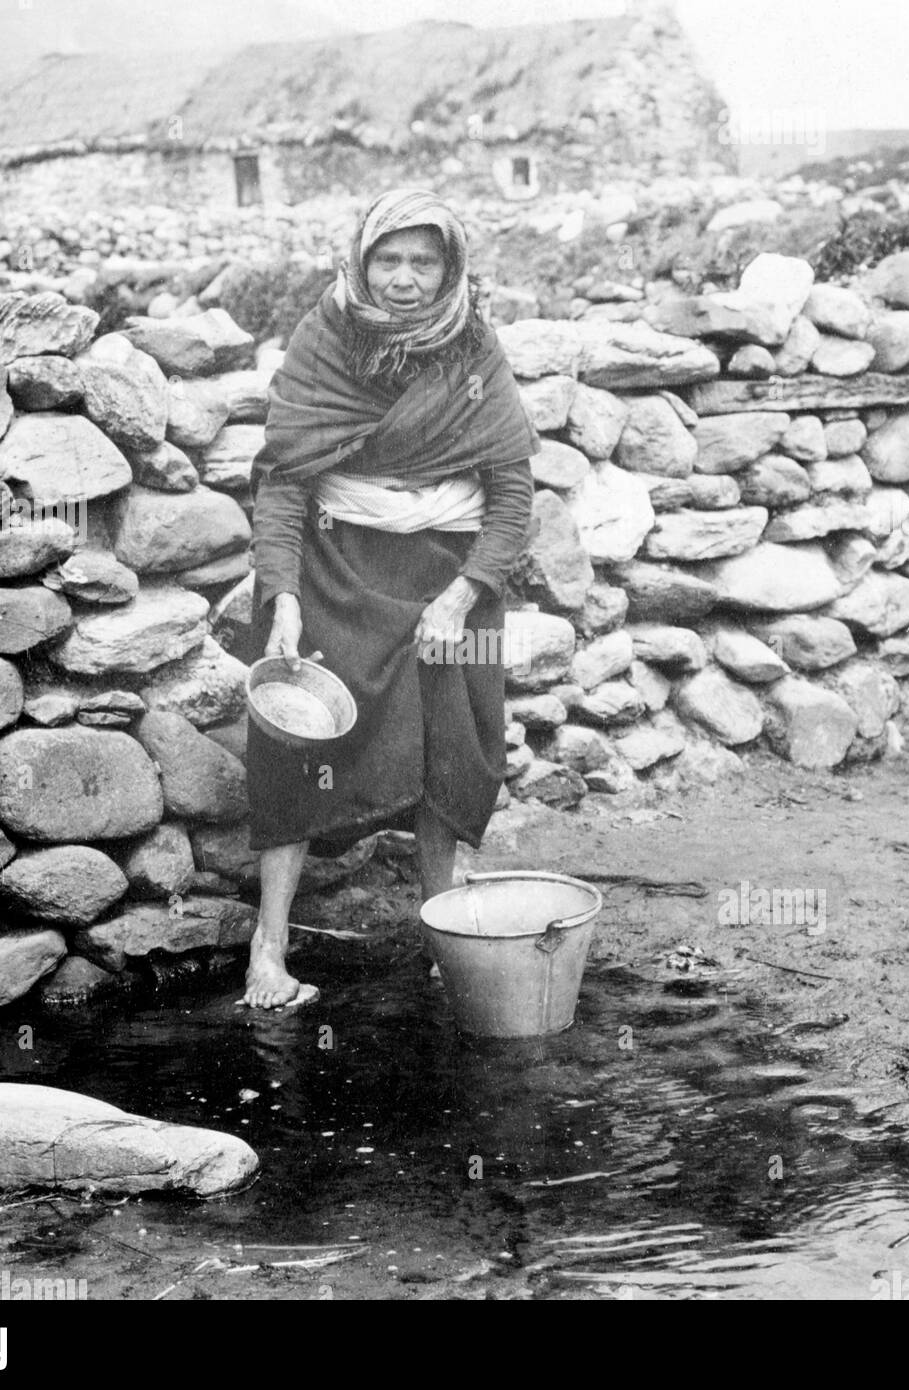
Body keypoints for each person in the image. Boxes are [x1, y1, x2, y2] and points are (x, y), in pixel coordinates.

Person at [242, 187, 538, 1010]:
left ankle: (443, 937)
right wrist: (284, 598)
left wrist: (464, 594)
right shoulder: (324, 337)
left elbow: (511, 495)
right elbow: (283, 486)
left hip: (450, 577)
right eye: (389, 259)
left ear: (450, 271)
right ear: (360, 261)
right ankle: (267, 950)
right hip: (339, 567)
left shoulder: (473, 348)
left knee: (452, 749)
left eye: (424, 262)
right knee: (298, 749)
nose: (405, 280)